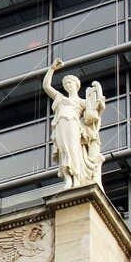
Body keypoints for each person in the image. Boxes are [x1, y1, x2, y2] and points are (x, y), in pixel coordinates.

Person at [42, 58, 90, 187]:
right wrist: (52, 69)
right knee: (63, 150)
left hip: (73, 124)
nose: (68, 85)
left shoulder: (82, 101)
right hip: (60, 124)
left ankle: (76, 177)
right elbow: (46, 86)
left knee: (73, 149)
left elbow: (94, 112)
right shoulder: (60, 97)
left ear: (76, 84)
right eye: (66, 84)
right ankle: (67, 177)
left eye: (70, 83)